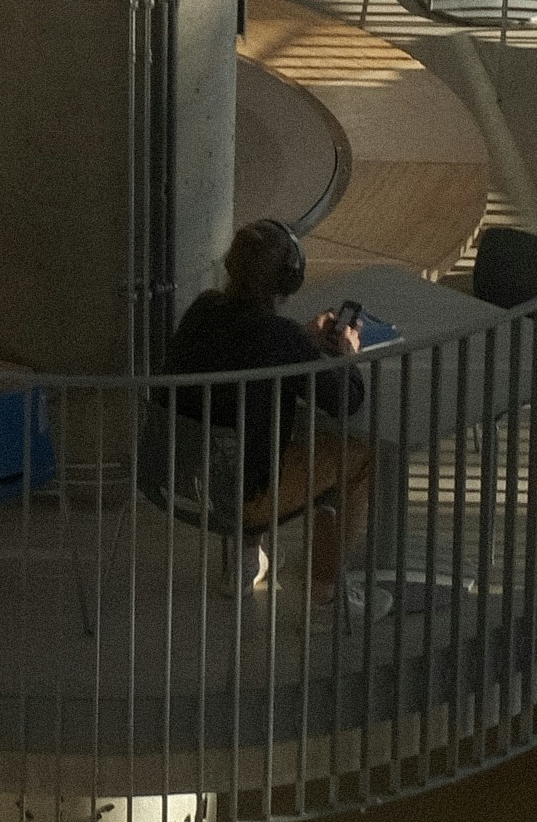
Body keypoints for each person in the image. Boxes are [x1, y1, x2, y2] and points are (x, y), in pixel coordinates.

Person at [156, 211, 381, 593]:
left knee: (246, 426)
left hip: (173, 473)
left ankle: (244, 560)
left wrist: (300, 337)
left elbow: (244, 346)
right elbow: (347, 401)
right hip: (240, 496)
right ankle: (325, 594)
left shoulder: (204, 308)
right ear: (289, 280)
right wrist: (347, 354)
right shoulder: (278, 338)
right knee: (360, 454)